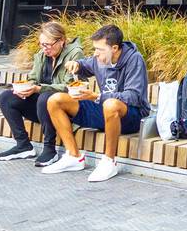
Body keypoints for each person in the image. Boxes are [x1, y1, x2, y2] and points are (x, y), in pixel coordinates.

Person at [41, 24, 150, 182]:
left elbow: (134, 96)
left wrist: (96, 97)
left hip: (131, 117)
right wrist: (76, 65)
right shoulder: (99, 59)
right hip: (104, 110)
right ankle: (73, 156)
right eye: (95, 49)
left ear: (114, 48)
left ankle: (109, 161)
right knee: (55, 100)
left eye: (99, 50)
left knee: (110, 104)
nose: (96, 54)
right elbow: (86, 65)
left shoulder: (134, 59)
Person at [0, 21, 83, 165]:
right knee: (6, 97)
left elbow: (69, 86)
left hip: (65, 110)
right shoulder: (42, 54)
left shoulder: (75, 53)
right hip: (43, 110)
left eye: (48, 44)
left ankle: (50, 149)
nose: (44, 49)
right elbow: (33, 79)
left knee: (45, 97)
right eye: (42, 44)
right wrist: (25, 87)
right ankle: (23, 145)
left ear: (61, 41)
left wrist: (38, 89)